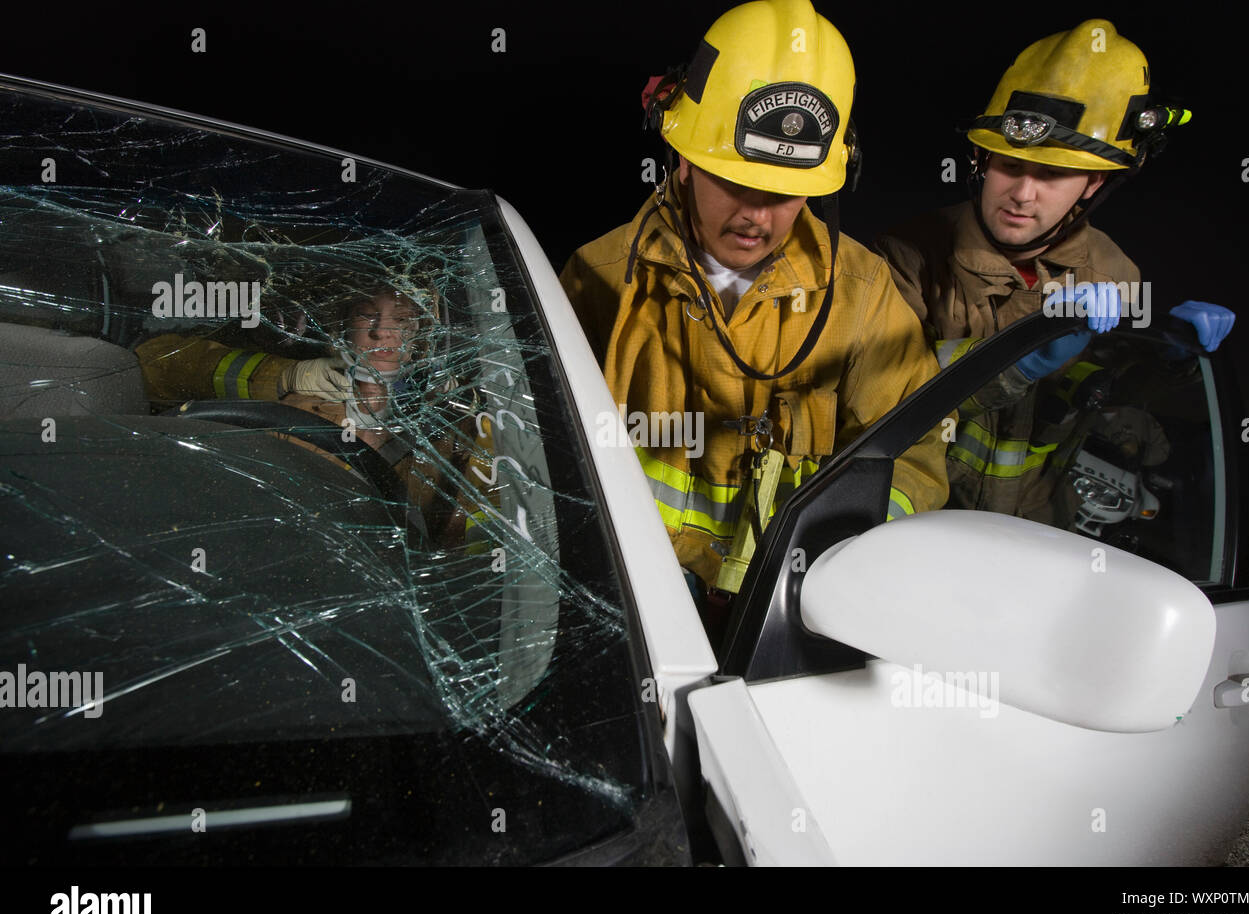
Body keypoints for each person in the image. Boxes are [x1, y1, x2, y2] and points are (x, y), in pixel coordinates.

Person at [559, 0, 947, 612]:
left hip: (787, 618)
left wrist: (833, 569)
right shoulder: (602, 280)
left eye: (787, 193)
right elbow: (544, 455)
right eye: (736, 183)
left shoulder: (863, 293)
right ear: (683, 159)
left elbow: (912, 460)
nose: (757, 217)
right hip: (636, 612)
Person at [873, 19, 1235, 523]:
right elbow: (889, 405)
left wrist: (1165, 357)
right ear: (980, 157)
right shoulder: (906, 258)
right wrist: (1018, 359)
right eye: (1010, 165)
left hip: (1039, 528)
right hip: (929, 521)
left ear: (1093, 183)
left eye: (1053, 174)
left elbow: (1104, 403)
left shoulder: (1112, 271)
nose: (1023, 194)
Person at [135, 287, 490, 543]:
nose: (381, 332)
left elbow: (478, 534)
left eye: (401, 321)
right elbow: (150, 365)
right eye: (367, 315)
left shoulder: (451, 431)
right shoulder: (294, 407)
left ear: (423, 340)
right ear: (342, 329)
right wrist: (283, 376)